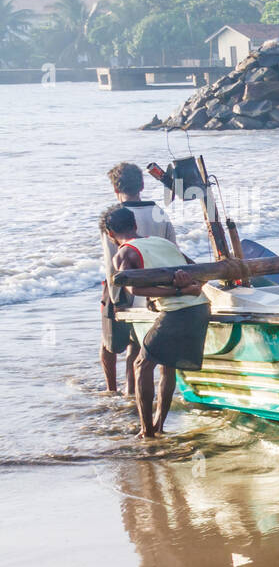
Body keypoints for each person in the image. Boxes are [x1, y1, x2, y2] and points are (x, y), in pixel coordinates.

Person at [102, 208, 210, 439]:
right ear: (135, 225)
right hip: (200, 307)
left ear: (110, 233)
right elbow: (197, 271)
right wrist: (184, 288)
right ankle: (158, 426)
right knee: (166, 365)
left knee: (142, 365)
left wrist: (176, 290)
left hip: (179, 311)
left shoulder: (123, 254)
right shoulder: (163, 243)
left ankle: (146, 431)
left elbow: (133, 288)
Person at [100, 162, 177, 394]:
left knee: (108, 344)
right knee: (136, 344)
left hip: (124, 288)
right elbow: (172, 250)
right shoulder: (158, 212)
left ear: (115, 189)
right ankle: (130, 390)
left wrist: (114, 298)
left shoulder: (113, 218)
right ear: (142, 185)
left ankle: (111, 391)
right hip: (155, 288)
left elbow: (110, 260)